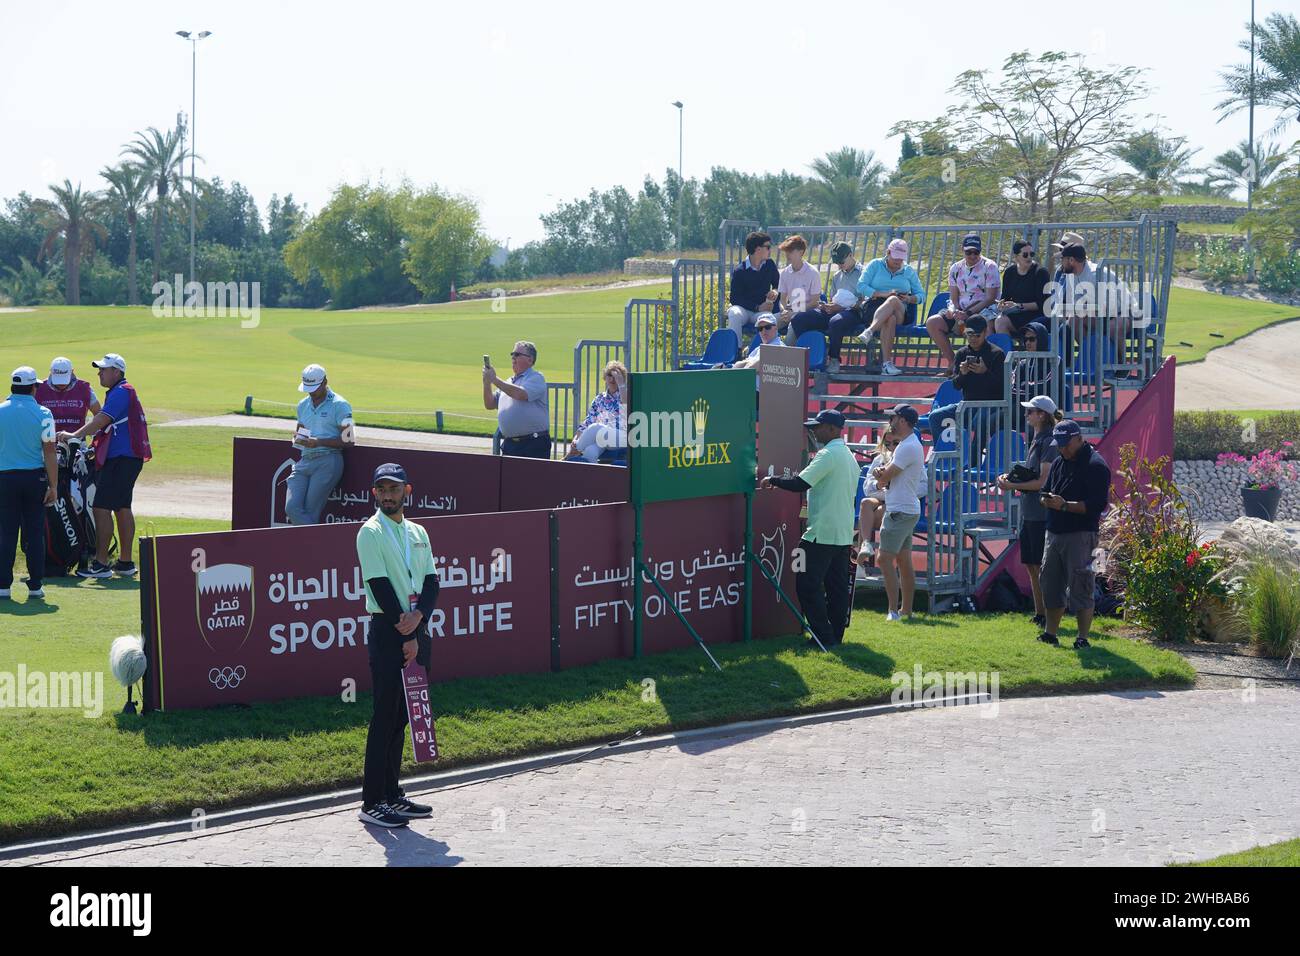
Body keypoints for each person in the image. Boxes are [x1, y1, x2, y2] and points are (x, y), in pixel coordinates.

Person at [355, 462, 441, 829]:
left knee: (404, 716)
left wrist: (419, 618)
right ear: (374, 493)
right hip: (389, 630)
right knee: (385, 715)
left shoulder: (418, 531)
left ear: (407, 491)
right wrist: (406, 633)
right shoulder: (369, 532)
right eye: (382, 489)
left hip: (416, 629)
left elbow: (433, 581)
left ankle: (392, 794)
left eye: (394, 488)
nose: (388, 495)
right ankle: (372, 801)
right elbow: (379, 587)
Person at [758, 409, 859, 648]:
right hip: (842, 534)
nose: (814, 431)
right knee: (836, 589)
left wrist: (772, 480)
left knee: (806, 585)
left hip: (819, 534)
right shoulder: (848, 455)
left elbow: (800, 483)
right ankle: (834, 638)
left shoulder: (827, 454)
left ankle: (822, 637)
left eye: (819, 426)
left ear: (833, 429)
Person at [58, 354, 150, 579]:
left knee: (101, 507)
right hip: (126, 458)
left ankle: (101, 564)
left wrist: (74, 434)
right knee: (121, 507)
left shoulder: (122, 391)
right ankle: (125, 563)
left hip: (121, 459)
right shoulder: (121, 391)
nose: (99, 373)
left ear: (116, 372)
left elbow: (100, 420)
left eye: (104, 369)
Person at [1037, 419, 1111, 649]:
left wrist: (1064, 505)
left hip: (1081, 535)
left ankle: (1082, 638)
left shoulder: (1096, 466)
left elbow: (1096, 506)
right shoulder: (1059, 461)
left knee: (1082, 584)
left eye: (1065, 444)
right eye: (1058, 444)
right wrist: (1047, 501)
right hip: (1054, 532)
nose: (1061, 448)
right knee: (1050, 584)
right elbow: (1044, 492)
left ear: (1079, 438)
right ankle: (1050, 633)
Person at [996, 395, 1063, 629]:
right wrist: (1013, 477)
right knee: (1032, 565)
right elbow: (1033, 476)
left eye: (1031, 411)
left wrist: (1012, 485)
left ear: (1042, 415)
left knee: (1042, 567)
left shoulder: (1049, 441)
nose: (1026, 415)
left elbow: (1043, 482)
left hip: (1041, 513)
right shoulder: (1038, 439)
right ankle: (1040, 612)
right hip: (1030, 511)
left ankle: (1049, 613)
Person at [0, 367, 57, 600]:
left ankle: (3, 586)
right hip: (34, 479)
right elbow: (50, 451)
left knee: (5, 533)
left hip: (4, 478)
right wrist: (54, 486)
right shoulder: (44, 413)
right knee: (34, 533)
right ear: (34, 387)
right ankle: (35, 585)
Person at [828, 238, 922, 375]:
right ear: (888, 252)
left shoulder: (909, 271)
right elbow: (861, 286)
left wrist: (910, 298)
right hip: (876, 307)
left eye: (901, 259)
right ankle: (887, 365)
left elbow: (921, 295)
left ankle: (870, 331)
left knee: (894, 300)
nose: (898, 261)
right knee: (889, 319)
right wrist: (883, 294)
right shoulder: (875, 265)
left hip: (900, 309)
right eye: (895, 257)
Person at [925, 315, 1006, 462]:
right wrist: (962, 374)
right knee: (936, 417)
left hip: (991, 405)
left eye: (977, 335)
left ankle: (973, 462)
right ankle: (944, 457)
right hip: (967, 404)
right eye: (969, 334)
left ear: (985, 332)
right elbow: (956, 385)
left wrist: (985, 372)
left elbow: (1003, 388)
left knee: (978, 421)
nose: (973, 339)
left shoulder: (997, 354)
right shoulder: (962, 353)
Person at [871, 405, 925, 620]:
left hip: (900, 511)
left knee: (883, 559)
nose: (891, 422)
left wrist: (879, 475)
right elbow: (887, 475)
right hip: (904, 508)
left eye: (893, 418)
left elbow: (887, 477)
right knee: (903, 561)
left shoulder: (907, 446)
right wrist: (881, 474)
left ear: (903, 420)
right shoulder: (908, 444)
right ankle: (906, 610)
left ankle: (893, 611)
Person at [1048, 242, 1136, 369]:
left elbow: (1106, 307)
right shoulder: (1071, 275)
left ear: (1071, 260)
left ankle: (1122, 365)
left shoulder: (1096, 274)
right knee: (1073, 321)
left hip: (1124, 312)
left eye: (1063, 259)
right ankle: (1091, 357)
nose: (1061, 262)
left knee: (1113, 328)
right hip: (1099, 315)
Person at [286, 363, 354, 526]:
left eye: (314, 387)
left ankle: (307, 548)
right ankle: (314, 544)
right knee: (291, 508)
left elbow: (349, 439)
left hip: (328, 461)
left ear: (325, 382)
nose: (311, 392)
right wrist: (297, 439)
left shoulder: (340, 405)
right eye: (308, 388)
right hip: (304, 461)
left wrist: (318, 442)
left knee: (310, 512)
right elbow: (300, 434)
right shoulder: (302, 405)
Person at [926, 233, 1001, 371]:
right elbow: (954, 297)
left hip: (982, 309)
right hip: (961, 311)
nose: (972, 255)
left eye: (976, 252)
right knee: (933, 322)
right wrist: (953, 310)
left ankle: (984, 365)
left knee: (987, 326)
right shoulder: (955, 268)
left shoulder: (990, 266)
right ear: (963, 250)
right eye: (969, 252)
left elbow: (990, 298)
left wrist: (968, 313)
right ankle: (953, 363)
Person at [787, 241, 863, 347]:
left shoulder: (863, 273)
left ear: (850, 255)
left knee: (835, 322)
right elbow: (833, 299)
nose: (839, 266)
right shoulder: (837, 276)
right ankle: (809, 351)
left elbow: (865, 302)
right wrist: (828, 306)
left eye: (841, 262)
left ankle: (833, 358)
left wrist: (842, 307)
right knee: (798, 319)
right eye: (837, 263)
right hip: (835, 311)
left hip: (853, 312)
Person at [484, 341, 550, 459]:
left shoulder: (536, 378)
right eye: (512, 354)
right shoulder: (508, 382)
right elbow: (490, 404)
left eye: (517, 354)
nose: (513, 357)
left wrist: (494, 379)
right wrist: (487, 382)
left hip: (533, 444)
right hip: (511, 445)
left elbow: (521, 394)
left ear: (530, 360)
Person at [566, 360, 627, 462]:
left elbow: (626, 404)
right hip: (602, 438)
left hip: (622, 437)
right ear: (605, 377)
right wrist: (575, 439)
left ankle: (572, 452)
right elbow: (587, 422)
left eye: (616, 376)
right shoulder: (599, 398)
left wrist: (621, 383)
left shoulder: (626, 394)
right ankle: (593, 476)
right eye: (609, 375)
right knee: (590, 451)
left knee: (596, 428)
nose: (612, 379)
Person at [726, 231, 780, 341]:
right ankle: (736, 352)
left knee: (768, 320)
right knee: (734, 313)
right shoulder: (740, 271)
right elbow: (735, 298)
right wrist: (757, 307)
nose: (770, 250)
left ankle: (766, 352)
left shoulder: (770, 265)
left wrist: (775, 291)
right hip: (744, 310)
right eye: (768, 247)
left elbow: (778, 285)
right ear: (758, 249)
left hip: (761, 312)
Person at [854, 427, 896, 567]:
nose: (890, 447)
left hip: (896, 503)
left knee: (869, 516)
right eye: (886, 444)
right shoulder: (879, 459)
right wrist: (879, 486)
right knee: (865, 502)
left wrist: (890, 489)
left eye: (895, 443)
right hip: (878, 500)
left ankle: (860, 563)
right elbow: (867, 488)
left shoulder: (908, 458)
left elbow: (922, 487)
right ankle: (866, 544)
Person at [994, 240, 1051, 338]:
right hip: (1016, 315)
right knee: (999, 321)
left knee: (1032, 328)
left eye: (1031, 254)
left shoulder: (1041, 272)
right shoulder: (1009, 273)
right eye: (1025, 255)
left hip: (1037, 316)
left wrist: (1018, 306)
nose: (1029, 257)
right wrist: (1002, 305)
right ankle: (1007, 353)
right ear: (1016, 257)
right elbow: (1005, 298)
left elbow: (1043, 304)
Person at [35, 357, 101, 436]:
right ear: (51, 372)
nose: (61, 384)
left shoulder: (84, 388)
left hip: (76, 443)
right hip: (46, 445)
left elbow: (99, 415)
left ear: (72, 371)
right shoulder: (40, 388)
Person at [775, 235, 823, 337]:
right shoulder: (784, 273)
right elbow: (782, 299)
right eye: (786, 251)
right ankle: (758, 351)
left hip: (806, 315)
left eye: (791, 251)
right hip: (789, 313)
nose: (787, 254)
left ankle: (786, 352)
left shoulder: (813, 273)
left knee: (793, 327)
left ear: (801, 252)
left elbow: (814, 303)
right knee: (766, 323)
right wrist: (783, 311)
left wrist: (794, 312)